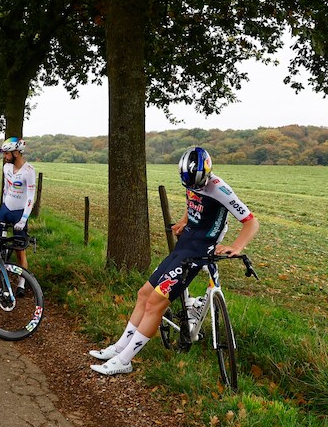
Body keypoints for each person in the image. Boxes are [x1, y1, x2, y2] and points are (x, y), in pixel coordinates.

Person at [90, 147, 259, 376]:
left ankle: (124, 360)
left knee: (155, 304)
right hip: (183, 246)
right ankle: (119, 347)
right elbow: (193, 205)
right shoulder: (190, 183)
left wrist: (237, 246)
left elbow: (251, 222)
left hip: (198, 252)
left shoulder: (220, 189)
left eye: (199, 185)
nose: (194, 189)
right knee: (143, 294)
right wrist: (182, 221)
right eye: (190, 185)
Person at [0, 137, 37, 283]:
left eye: (7, 153)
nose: (4, 157)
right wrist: (2, 208)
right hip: (6, 209)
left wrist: (23, 219)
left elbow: (31, 198)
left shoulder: (29, 171)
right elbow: (6, 189)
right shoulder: (6, 167)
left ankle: (22, 281)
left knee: (20, 250)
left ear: (16, 153)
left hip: (19, 213)